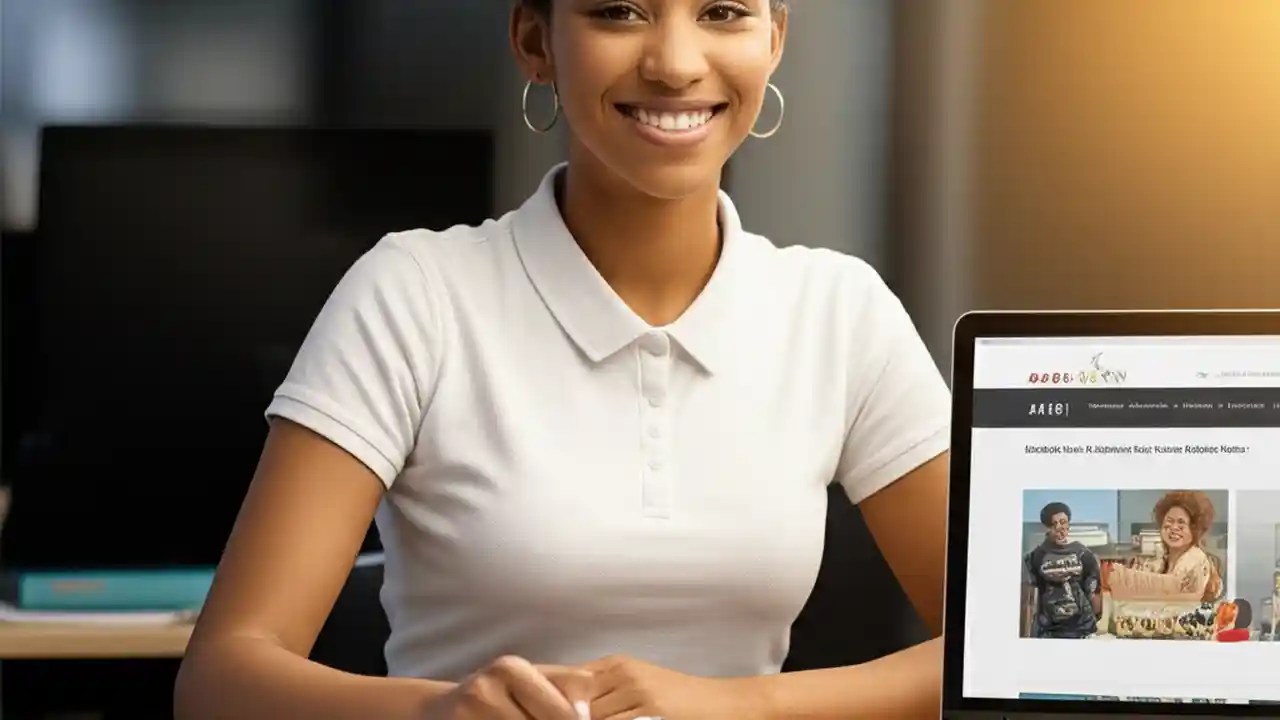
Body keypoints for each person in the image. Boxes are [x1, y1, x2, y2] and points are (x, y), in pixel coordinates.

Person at [173, 1, 952, 718]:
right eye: (618, 11)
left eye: (722, 11)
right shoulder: (413, 294)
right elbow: (221, 678)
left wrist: (743, 705)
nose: (675, 63)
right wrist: (436, 714)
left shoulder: (838, 310)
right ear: (534, 40)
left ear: (775, 38)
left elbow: (1033, 651)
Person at [1109, 490, 1223, 603]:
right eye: (1169, 521)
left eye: (1181, 523)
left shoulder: (1197, 560)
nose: (1174, 528)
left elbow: (1169, 589)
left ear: (1194, 529)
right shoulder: (1160, 558)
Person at [1021, 502, 1102, 639]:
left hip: (1082, 629)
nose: (1059, 528)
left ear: (1069, 524)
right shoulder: (1035, 557)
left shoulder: (1083, 553)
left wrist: (1094, 620)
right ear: (1047, 527)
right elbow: (1028, 600)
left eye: (1063, 522)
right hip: (1049, 632)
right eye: (1054, 524)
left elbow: (1095, 591)